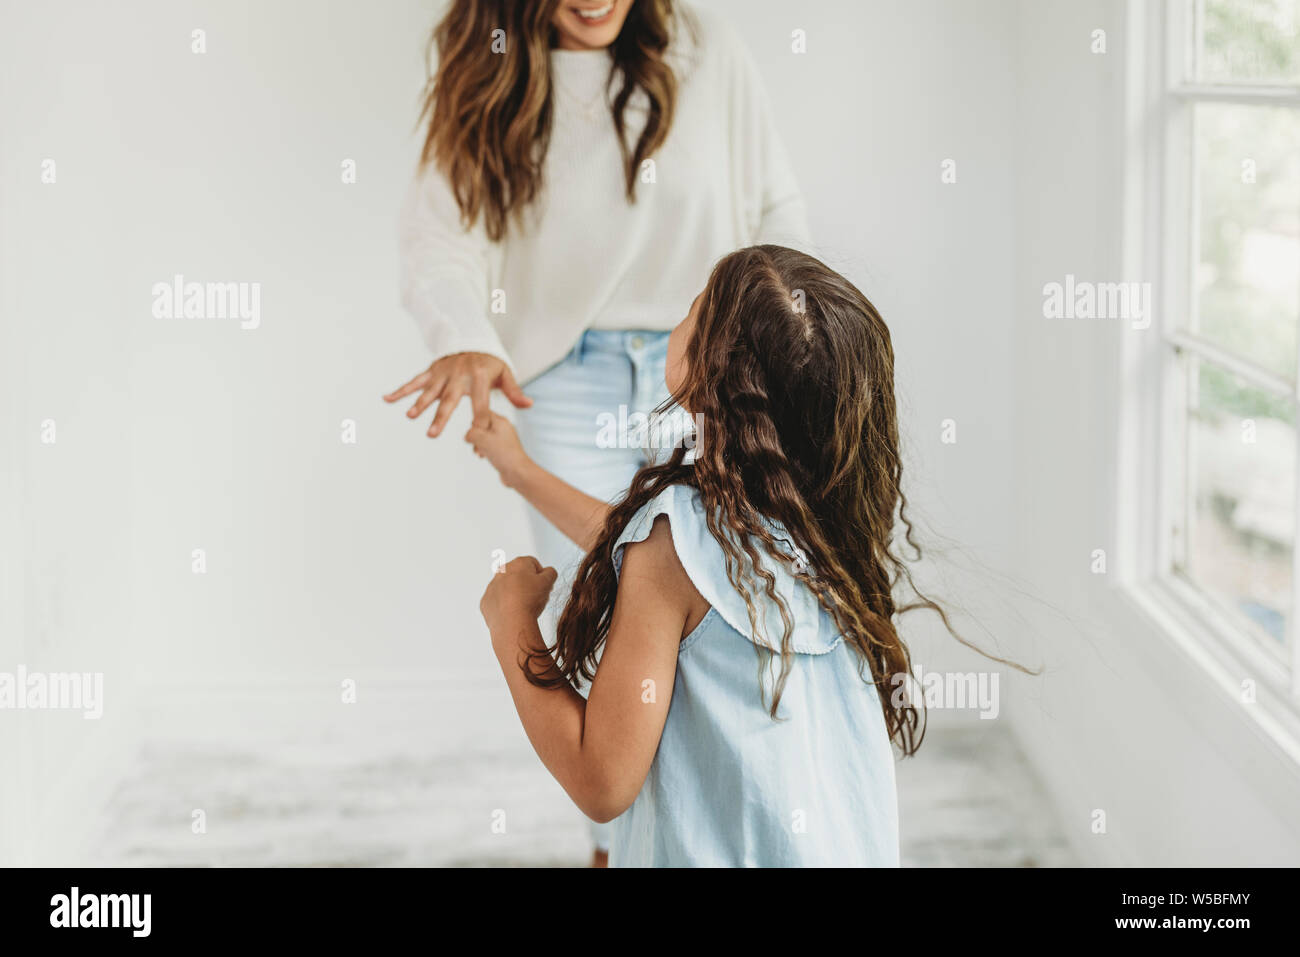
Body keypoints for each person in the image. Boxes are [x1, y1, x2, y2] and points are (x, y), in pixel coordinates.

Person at [382, 0, 809, 865]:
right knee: (608, 636)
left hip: (706, 374)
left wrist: (794, 366)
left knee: (713, 628)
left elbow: (776, 216)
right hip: (562, 386)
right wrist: (464, 329)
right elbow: (439, 238)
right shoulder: (492, 68)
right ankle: (616, 849)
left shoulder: (706, 50)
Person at [469, 245, 934, 865]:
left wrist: (512, 625)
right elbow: (656, 553)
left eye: (693, 307)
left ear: (707, 371)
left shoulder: (673, 546)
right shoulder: (826, 534)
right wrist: (519, 470)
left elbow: (601, 780)